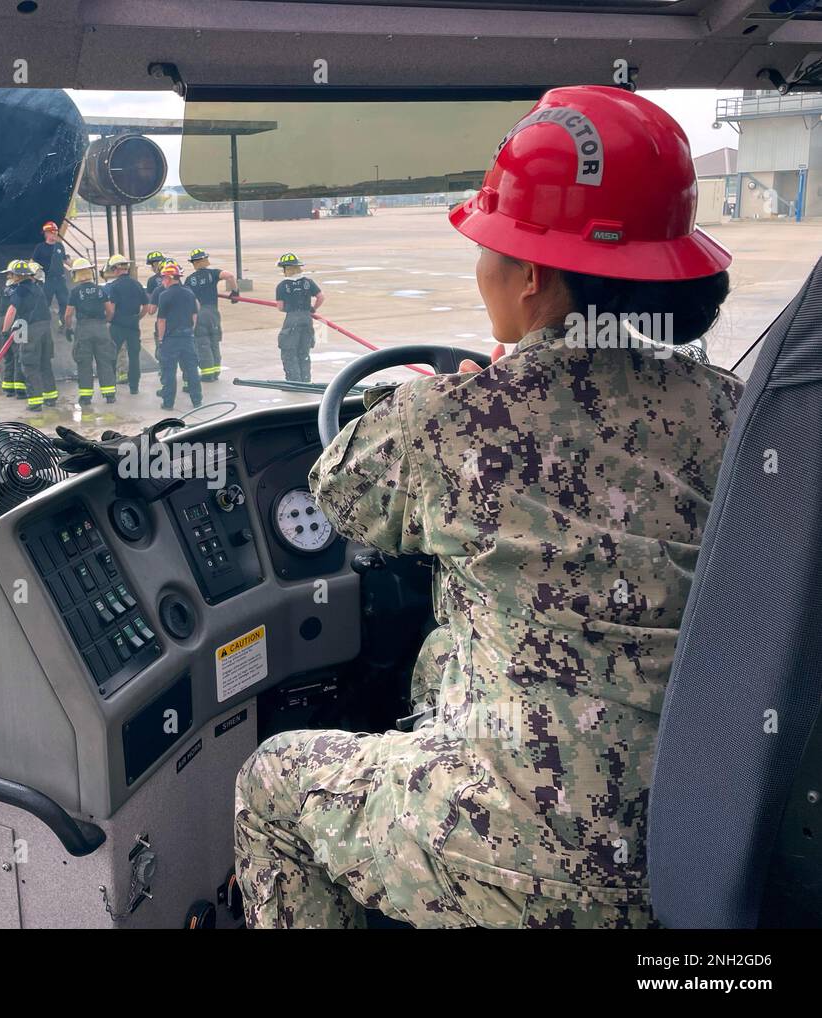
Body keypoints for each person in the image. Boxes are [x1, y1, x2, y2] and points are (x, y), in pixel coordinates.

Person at [234, 85, 744, 929]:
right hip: (702, 830)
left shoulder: (455, 420)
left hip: (539, 865)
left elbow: (340, 494)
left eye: (489, 249)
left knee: (271, 782)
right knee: (439, 659)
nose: (482, 269)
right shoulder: (731, 410)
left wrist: (451, 399)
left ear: (533, 272)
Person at [0, 260, 57, 412]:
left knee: (30, 365)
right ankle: (51, 397)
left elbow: (11, 311)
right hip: (46, 328)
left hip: (31, 330)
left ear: (17, 276)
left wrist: (5, 332)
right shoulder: (38, 288)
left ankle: (35, 402)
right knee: (45, 363)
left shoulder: (21, 290)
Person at [64, 261, 117, 406]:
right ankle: (110, 395)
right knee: (105, 361)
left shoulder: (75, 292)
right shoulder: (100, 290)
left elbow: (68, 314)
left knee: (84, 363)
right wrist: (104, 322)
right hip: (101, 328)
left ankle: (86, 397)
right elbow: (110, 310)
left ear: (76, 274)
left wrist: (68, 329)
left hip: (83, 329)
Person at [184, 248, 238, 384]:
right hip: (213, 312)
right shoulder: (212, 274)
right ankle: (215, 372)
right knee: (214, 342)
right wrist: (235, 292)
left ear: (194, 263)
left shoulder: (190, 280)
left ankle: (208, 374)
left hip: (199, 312)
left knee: (202, 343)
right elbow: (230, 276)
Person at [154, 261, 202, 410]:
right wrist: (190, 331)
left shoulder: (164, 295)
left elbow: (161, 320)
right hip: (187, 337)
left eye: (164, 278)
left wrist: (161, 339)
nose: (163, 281)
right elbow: (195, 314)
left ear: (169, 278)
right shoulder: (189, 293)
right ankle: (197, 400)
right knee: (192, 370)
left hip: (170, 339)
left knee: (169, 372)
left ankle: (168, 402)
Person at [274, 253, 323, 382]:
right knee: (304, 351)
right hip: (307, 319)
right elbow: (320, 297)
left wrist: (289, 309)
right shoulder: (308, 282)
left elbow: (280, 307)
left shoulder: (282, 286)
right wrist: (313, 308)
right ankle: (305, 380)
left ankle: (294, 381)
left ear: (285, 269)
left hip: (292, 319)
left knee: (289, 351)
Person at [103, 254, 148, 396]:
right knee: (134, 357)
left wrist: (108, 320)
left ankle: (110, 389)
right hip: (133, 325)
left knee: (112, 356)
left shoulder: (114, 286)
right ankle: (134, 387)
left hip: (118, 325)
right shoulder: (137, 284)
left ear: (116, 269)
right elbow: (145, 306)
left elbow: (111, 309)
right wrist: (137, 318)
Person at [31, 221, 72, 328]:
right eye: (53, 232)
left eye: (56, 232)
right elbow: (33, 262)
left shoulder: (59, 246)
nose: (55, 234)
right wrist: (33, 276)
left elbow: (65, 260)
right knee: (44, 303)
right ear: (47, 233)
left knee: (64, 302)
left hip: (60, 280)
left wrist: (76, 266)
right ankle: (43, 325)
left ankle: (62, 324)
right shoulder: (40, 247)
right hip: (47, 280)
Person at [0, 260, 26, 399]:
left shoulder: (4, 290)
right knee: (18, 357)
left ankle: (9, 388)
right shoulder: (19, 291)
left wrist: (3, 332)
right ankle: (20, 389)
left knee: (8, 357)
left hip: (3, 323)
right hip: (15, 323)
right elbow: (13, 310)